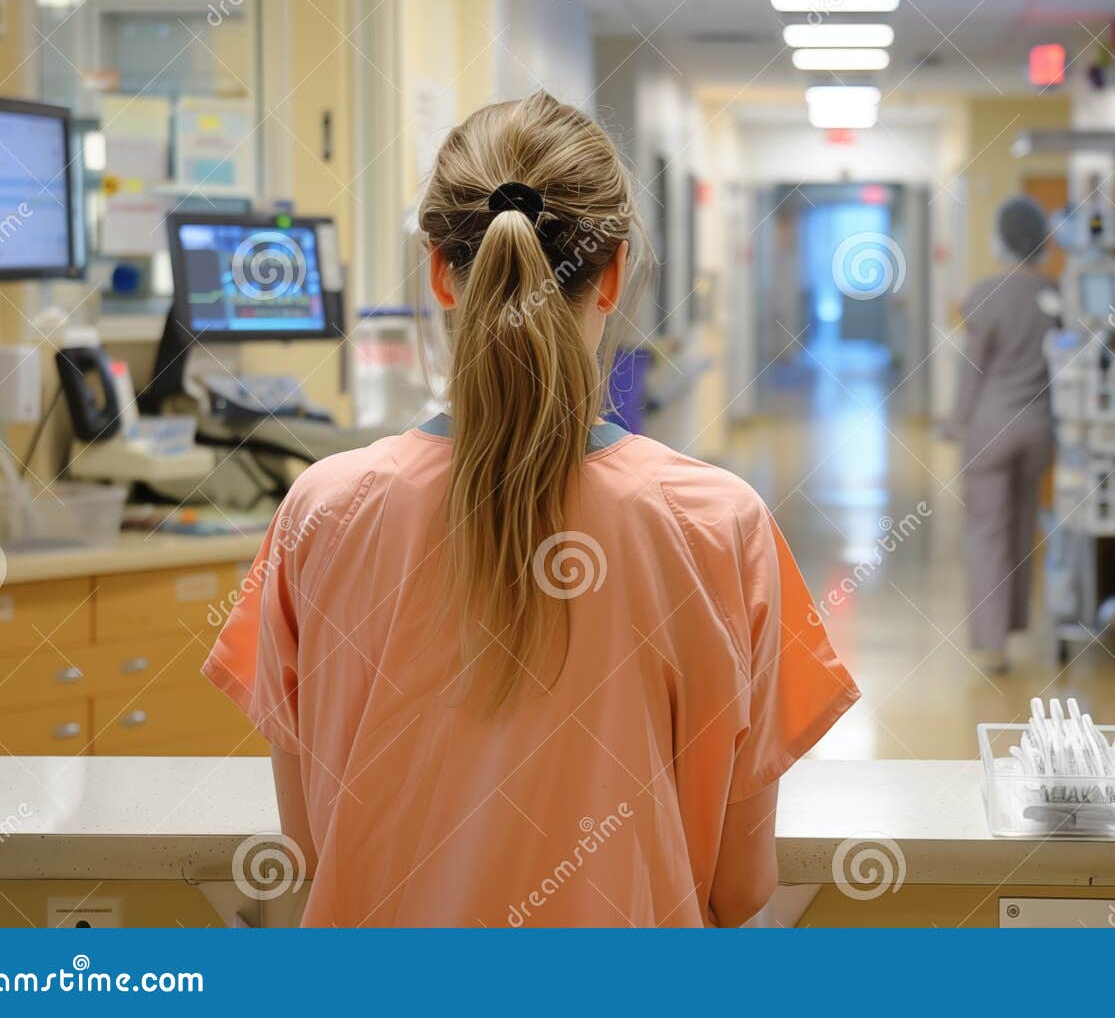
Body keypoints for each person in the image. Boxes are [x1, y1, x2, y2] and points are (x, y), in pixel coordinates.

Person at [203, 92, 858, 927]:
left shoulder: (322, 513)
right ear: (614, 273)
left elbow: (311, 848)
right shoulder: (718, 526)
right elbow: (738, 891)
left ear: (440, 270)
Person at [949, 195, 1058, 674]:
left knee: (987, 532)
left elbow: (971, 369)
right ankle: (1016, 625)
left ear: (1002, 240)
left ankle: (993, 646)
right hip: (1038, 429)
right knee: (1020, 528)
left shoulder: (986, 294)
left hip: (991, 428)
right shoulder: (1052, 295)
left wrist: (956, 422)